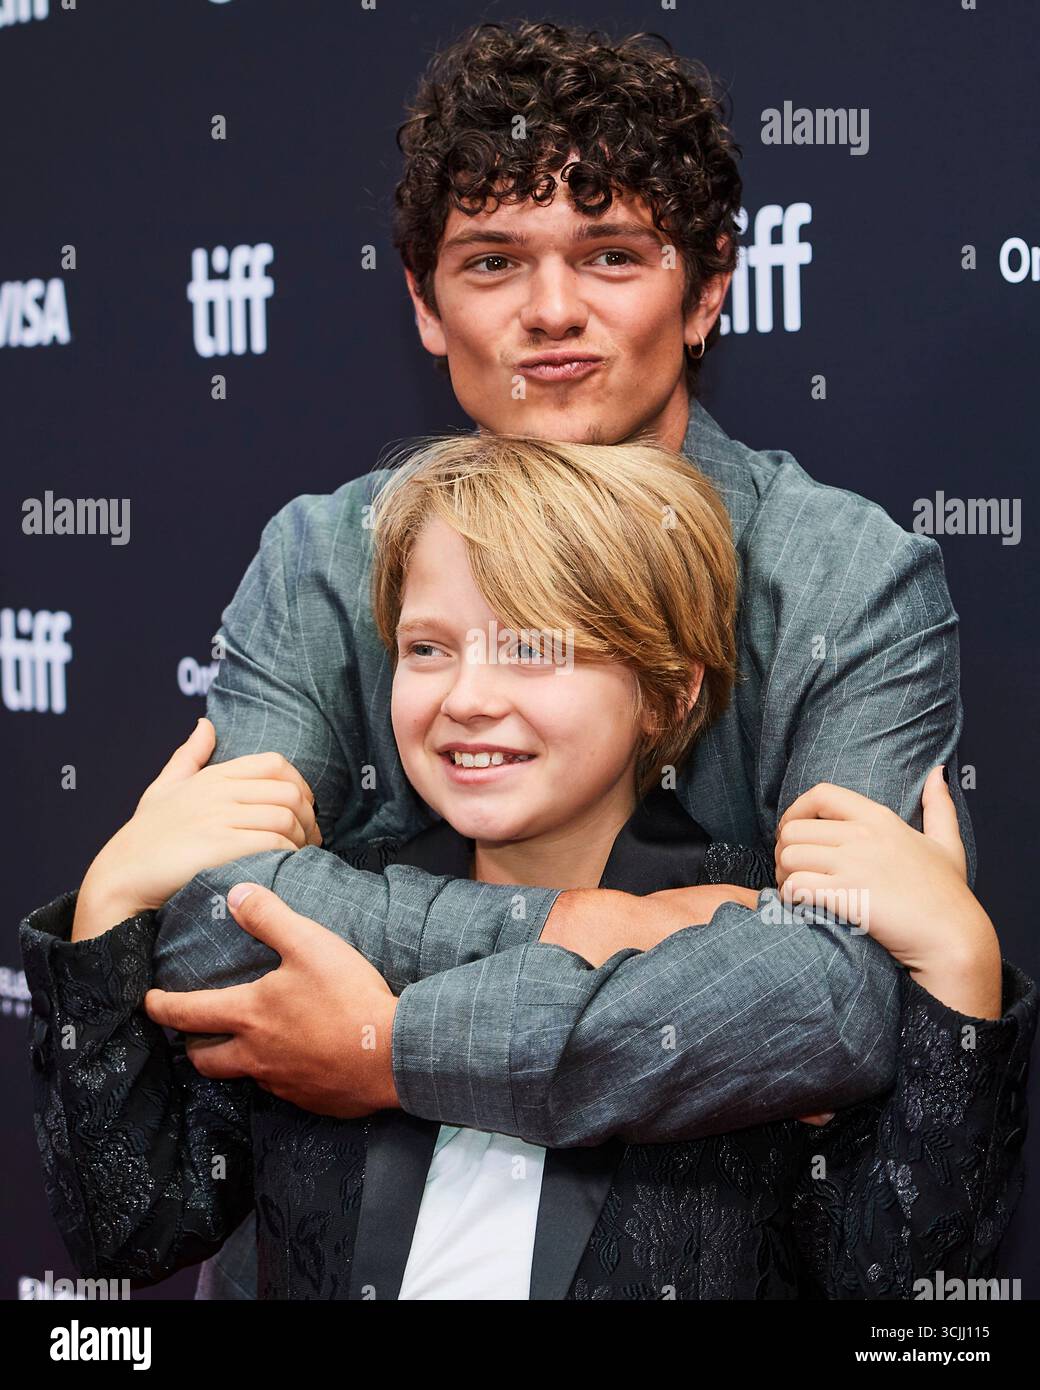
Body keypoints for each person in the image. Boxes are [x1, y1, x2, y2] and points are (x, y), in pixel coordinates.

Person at [21, 21, 1006, 1299]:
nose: (551, 312)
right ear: (425, 306)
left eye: (609, 255)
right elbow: (219, 928)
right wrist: (595, 927)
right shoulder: (328, 552)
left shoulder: (842, 579)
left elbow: (830, 1000)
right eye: (491, 262)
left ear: (710, 286)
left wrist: (387, 1044)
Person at [20, 435, 1036, 1299]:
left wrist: (958, 969)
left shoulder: (755, 949)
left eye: (531, 648)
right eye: (425, 648)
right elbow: (132, 1226)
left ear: (667, 693)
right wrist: (109, 901)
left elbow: (900, 1293)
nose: (464, 696)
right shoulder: (306, 926)